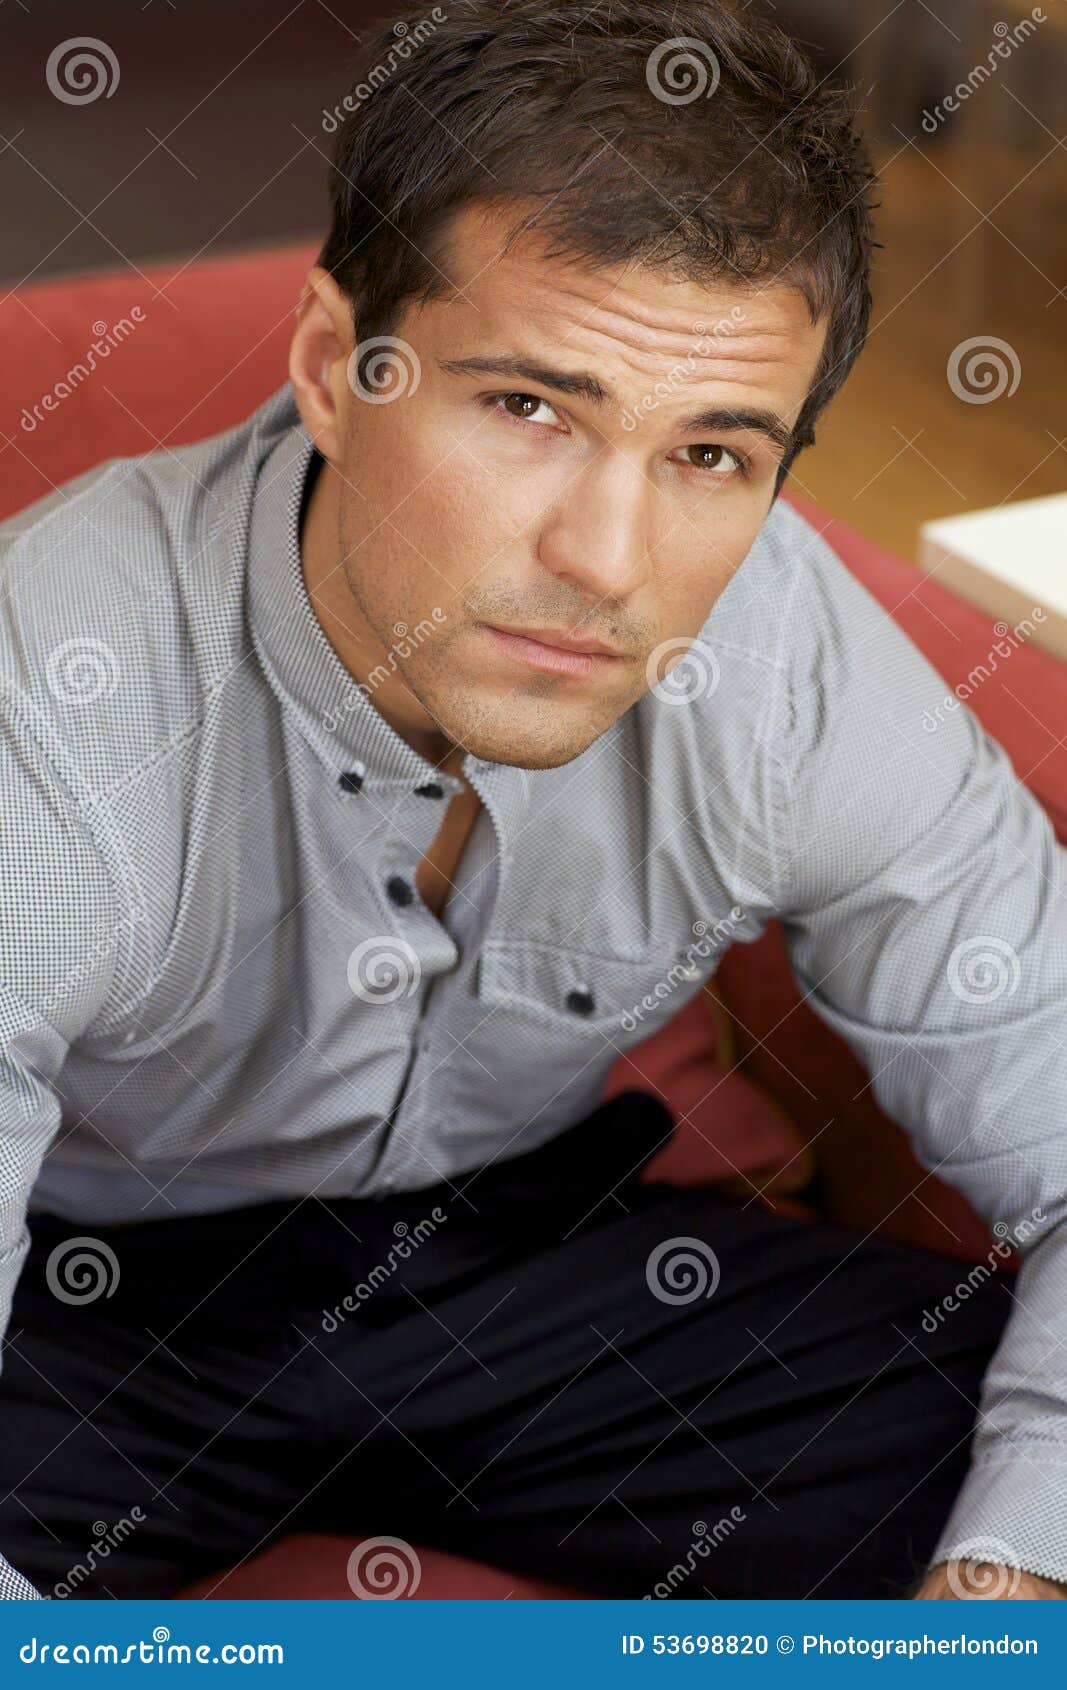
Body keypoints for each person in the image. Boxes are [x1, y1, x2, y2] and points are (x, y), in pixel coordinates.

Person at [0, 0, 1063, 1602]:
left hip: (535, 1261)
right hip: (89, 1302)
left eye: (711, 453)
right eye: (529, 408)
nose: (607, 564)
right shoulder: (56, 689)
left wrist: (1005, 1594)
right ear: (336, 370)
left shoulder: (785, 664)